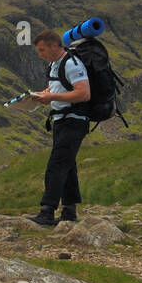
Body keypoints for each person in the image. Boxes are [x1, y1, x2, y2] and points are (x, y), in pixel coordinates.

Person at [27, 28, 91, 226]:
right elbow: (60, 87)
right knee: (67, 165)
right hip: (61, 121)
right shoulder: (55, 64)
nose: (41, 55)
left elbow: (84, 94)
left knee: (56, 165)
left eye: (42, 50)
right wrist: (45, 95)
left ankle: (47, 212)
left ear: (54, 45)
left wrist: (52, 97)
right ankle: (69, 211)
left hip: (74, 120)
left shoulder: (72, 64)